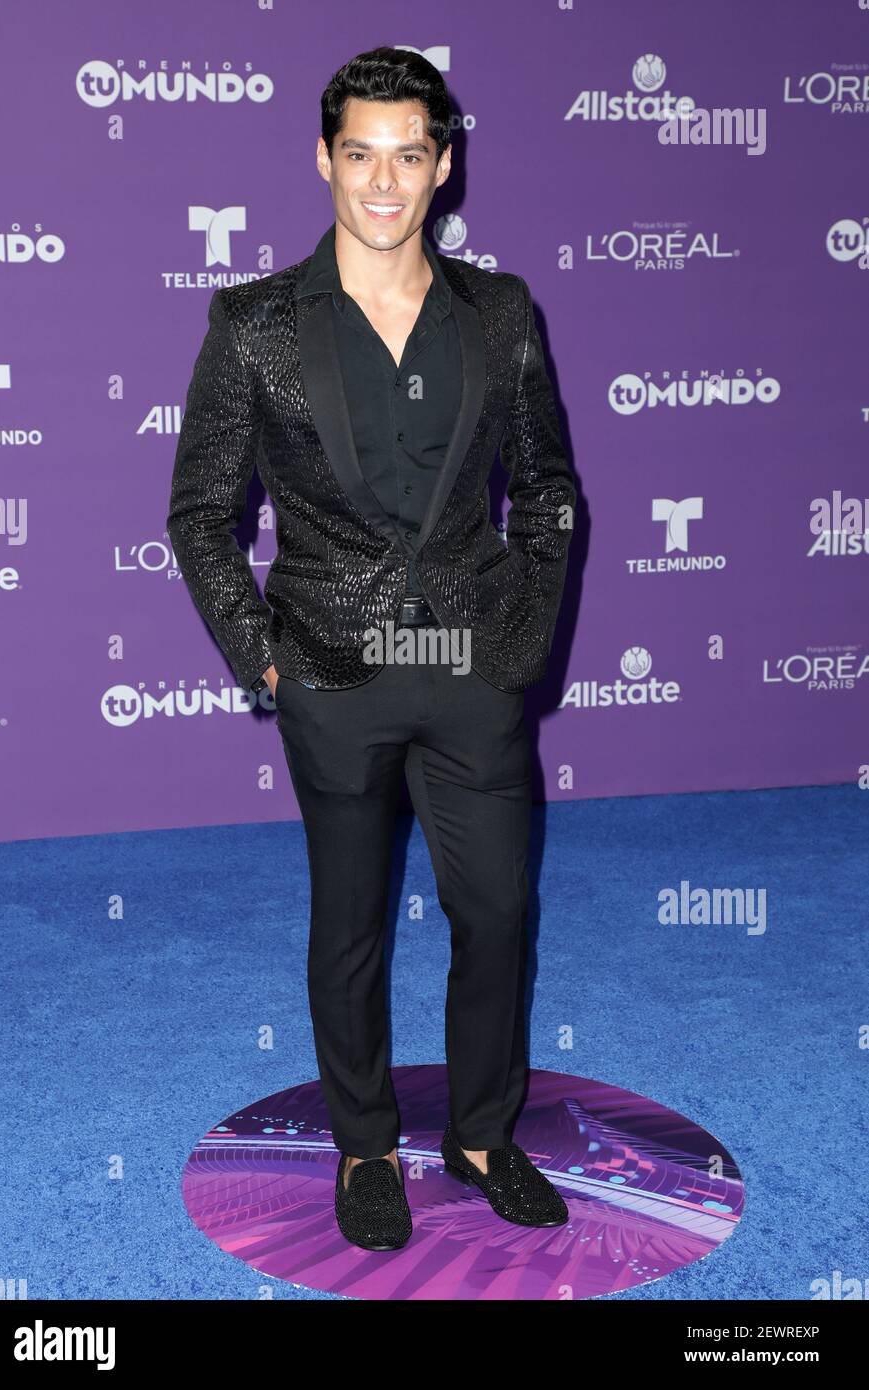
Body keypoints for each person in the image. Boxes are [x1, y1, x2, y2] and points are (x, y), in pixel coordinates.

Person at [167, 46, 576, 1252]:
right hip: (329, 673)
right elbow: (199, 509)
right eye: (361, 154)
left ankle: (482, 1134)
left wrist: (522, 637)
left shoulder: (499, 312)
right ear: (323, 159)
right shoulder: (252, 324)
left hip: (471, 667)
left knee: (494, 911)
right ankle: (362, 1146)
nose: (384, 181)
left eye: (410, 155)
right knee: (348, 923)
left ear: (443, 166)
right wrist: (261, 654)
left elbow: (548, 491)